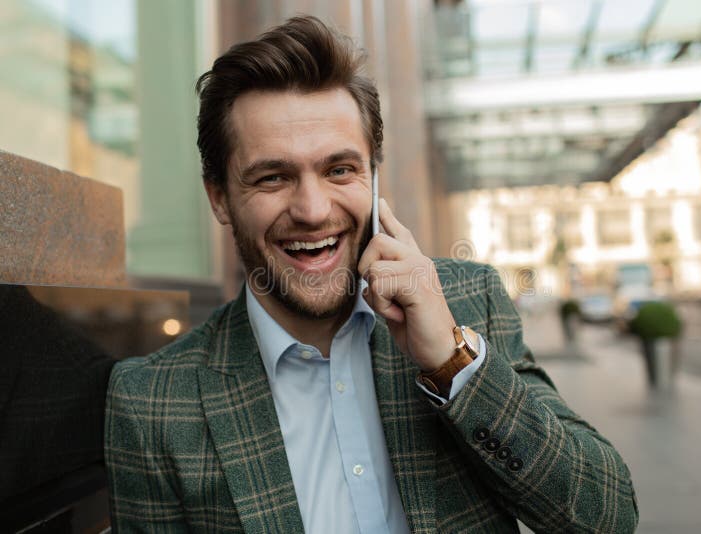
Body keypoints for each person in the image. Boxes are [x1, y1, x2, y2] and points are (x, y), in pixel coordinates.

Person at [105, 16, 638, 533]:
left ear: (375, 178)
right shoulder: (152, 403)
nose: (313, 210)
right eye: (273, 177)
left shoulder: (470, 305)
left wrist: (453, 363)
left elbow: (604, 517)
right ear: (220, 198)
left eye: (340, 170)